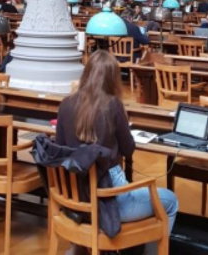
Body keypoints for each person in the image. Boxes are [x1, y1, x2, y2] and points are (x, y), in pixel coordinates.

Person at [55, 50, 178, 255]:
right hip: (108, 200)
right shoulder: (112, 105)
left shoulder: (66, 104)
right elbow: (129, 149)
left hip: (75, 200)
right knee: (171, 201)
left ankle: (80, 247)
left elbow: (60, 147)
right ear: (112, 79)